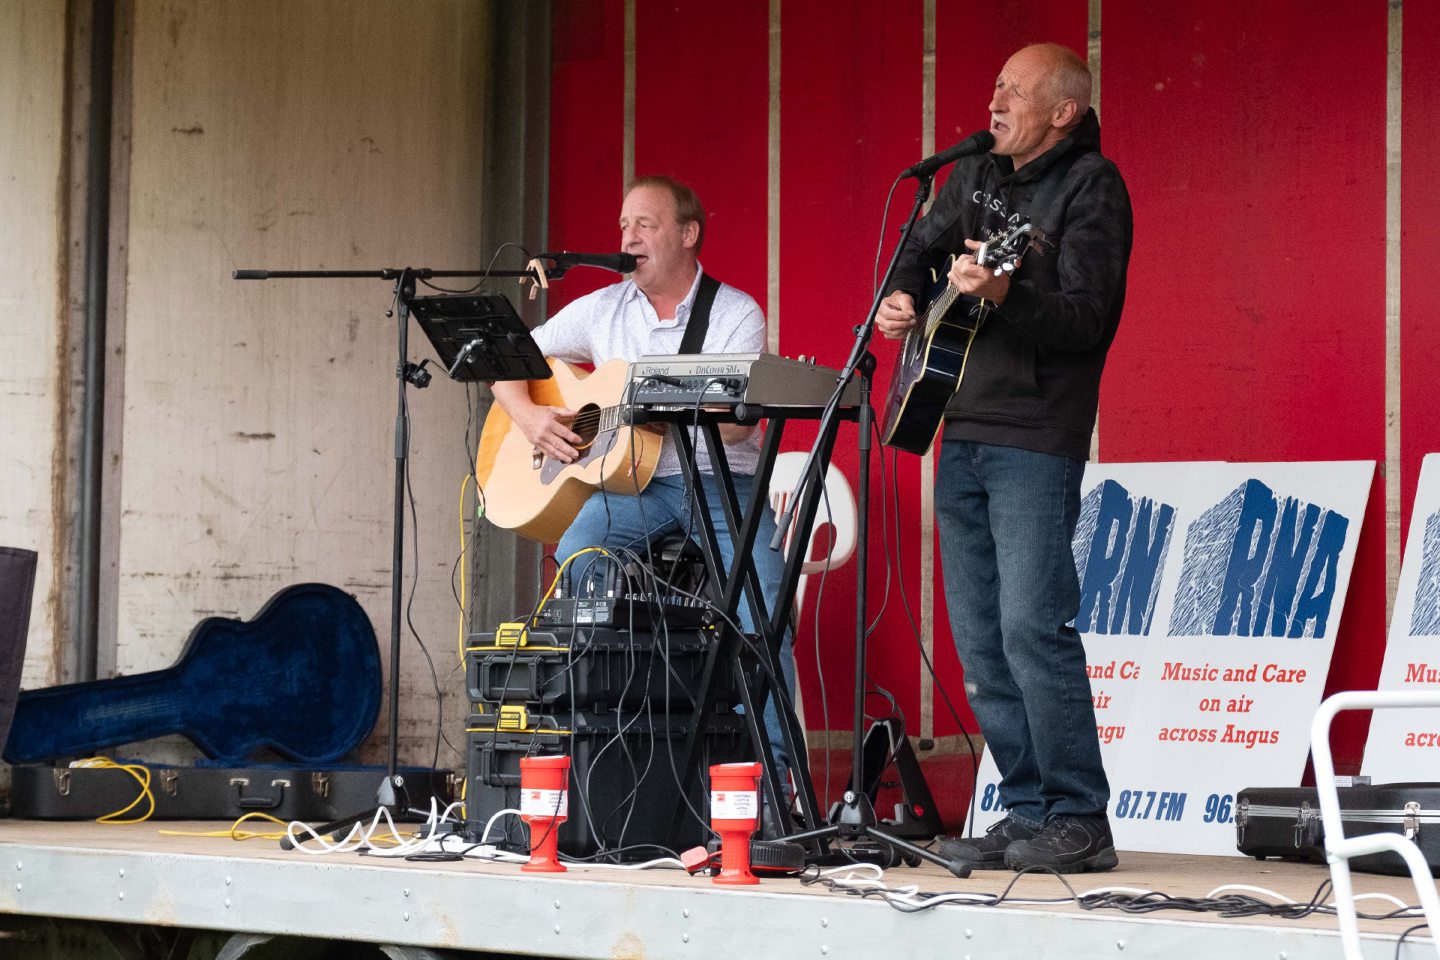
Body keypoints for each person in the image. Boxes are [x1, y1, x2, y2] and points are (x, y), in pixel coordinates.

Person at [876, 43, 1132, 873]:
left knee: (1032, 627)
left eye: (1014, 91)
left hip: (1035, 434)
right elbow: (918, 244)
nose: (995, 101)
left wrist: (1006, 294)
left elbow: (1087, 319)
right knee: (981, 641)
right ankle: (1025, 812)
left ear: (1063, 111)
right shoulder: (975, 176)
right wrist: (904, 292)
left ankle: (1079, 815)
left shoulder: (1094, 188)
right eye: (994, 85)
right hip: (959, 425)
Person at [489, 175, 797, 780]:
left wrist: (671, 406)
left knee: (765, 606)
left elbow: (737, 430)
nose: (629, 237)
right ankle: (600, 755)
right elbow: (505, 355)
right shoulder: (603, 306)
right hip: (634, 484)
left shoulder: (735, 314)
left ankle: (774, 777)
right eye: (624, 226)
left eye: (645, 225)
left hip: (720, 486)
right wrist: (528, 418)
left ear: (688, 234)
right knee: (579, 559)